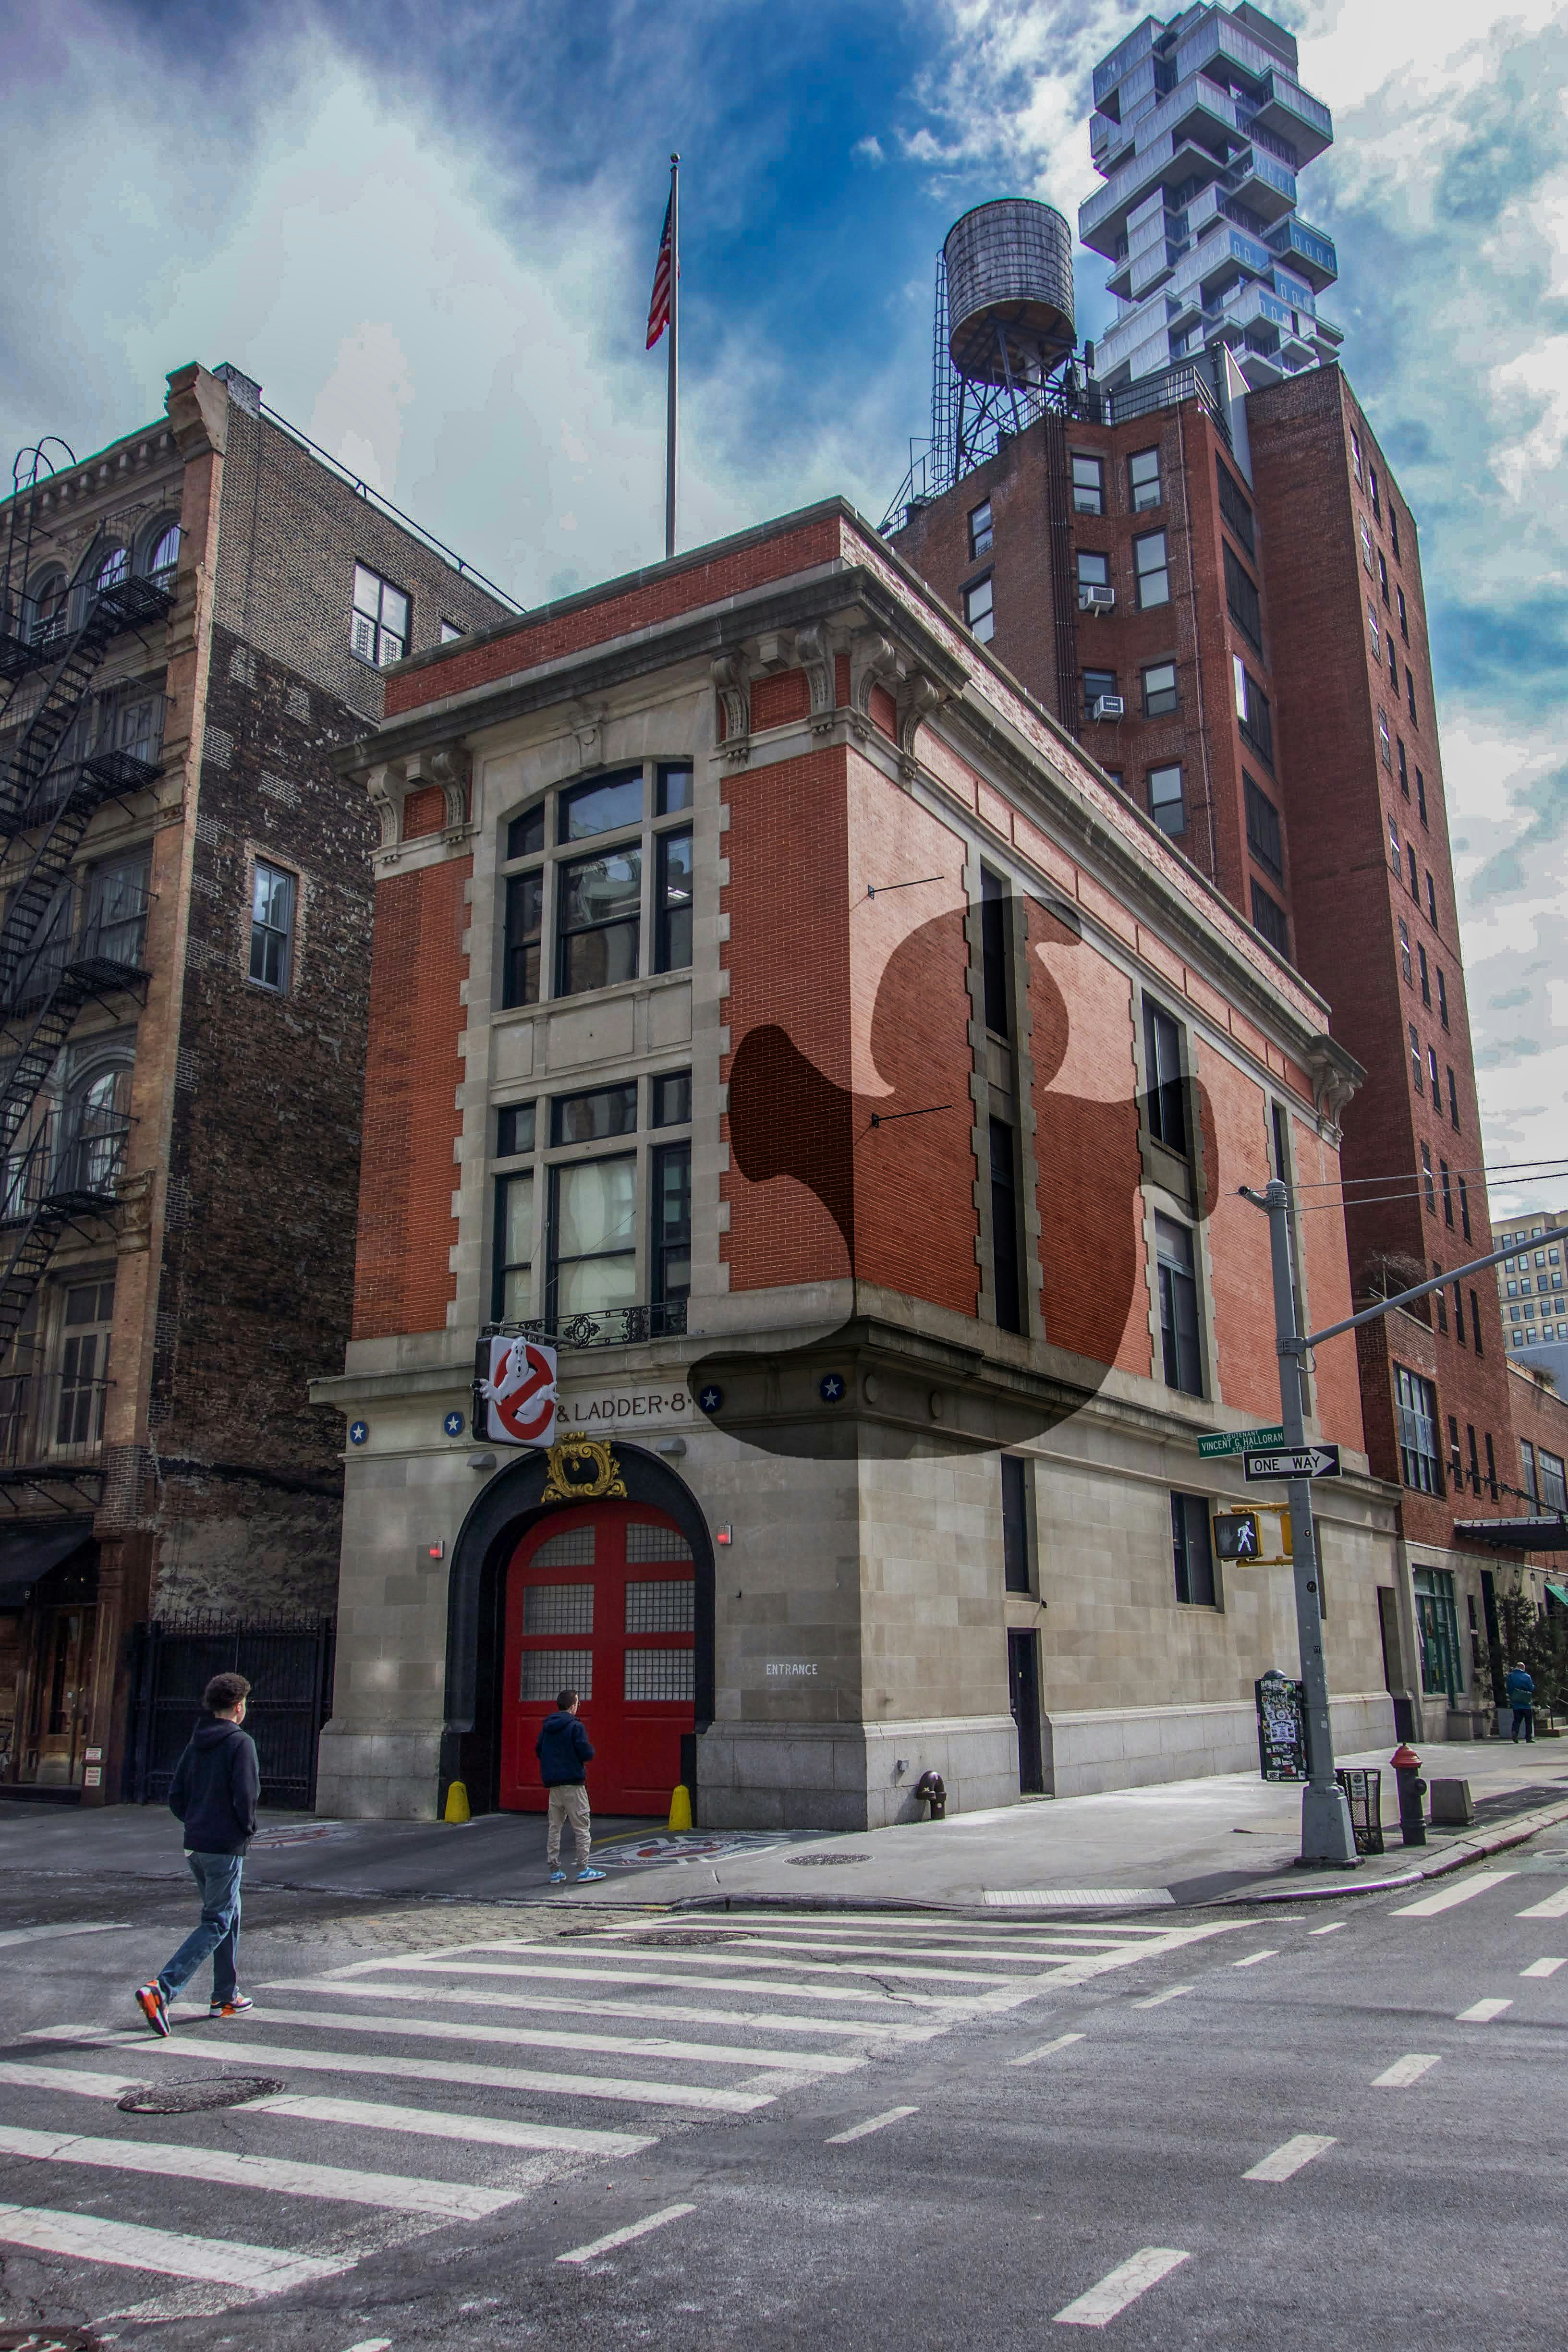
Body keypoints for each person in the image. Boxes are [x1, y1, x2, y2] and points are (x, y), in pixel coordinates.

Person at [134, 1671, 260, 2035]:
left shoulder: (195, 1744)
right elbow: (246, 1796)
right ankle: (163, 1989)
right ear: (239, 1707)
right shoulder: (241, 1743)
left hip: (196, 1845)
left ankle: (225, 1996)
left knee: (229, 1914)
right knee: (218, 1920)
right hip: (225, 1846)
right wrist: (245, 1830)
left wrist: (196, 1822)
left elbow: (176, 1795)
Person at [536, 1687, 607, 1886]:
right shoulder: (576, 1727)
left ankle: (555, 1870)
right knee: (582, 1826)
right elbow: (585, 1752)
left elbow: (539, 1750)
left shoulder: (547, 1727)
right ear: (573, 1706)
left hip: (554, 1785)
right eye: (578, 1703)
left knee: (555, 1827)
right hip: (573, 1784)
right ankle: (583, 1868)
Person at [1506, 1661, 1536, 1745]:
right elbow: (1531, 1688)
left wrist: (1513, 1696)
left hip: (1516, 1702)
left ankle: (1515, 1732)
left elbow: (1509, 1689)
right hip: (1526, 1703)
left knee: (1517, 1720)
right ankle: (1528, 1738)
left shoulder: (1510, 1676)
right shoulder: (1527, 1677)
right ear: (1523, 1668)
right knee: (1528, 1721)